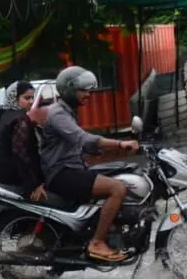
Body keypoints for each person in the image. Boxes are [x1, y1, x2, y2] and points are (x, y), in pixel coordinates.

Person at [40, 66, 139, 263]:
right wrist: (119, 143)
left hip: (71, 169)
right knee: (117, 189)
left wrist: (109, 150)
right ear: (69, 89)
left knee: (121, 175)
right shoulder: (58, 113)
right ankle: (97, 242)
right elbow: (82, 139)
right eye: (83, 90)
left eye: (88, 90)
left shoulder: (68, 112)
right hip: (61, 173)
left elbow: (78, 146)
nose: (88, 94)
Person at [0, 81, 46, 202]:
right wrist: (35, 184)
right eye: (26, 98)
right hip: (14, 180)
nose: (31, 101)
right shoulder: (20, 119)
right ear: (14, 98)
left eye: (32, 98)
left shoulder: (2, 115)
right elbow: (21, 155)